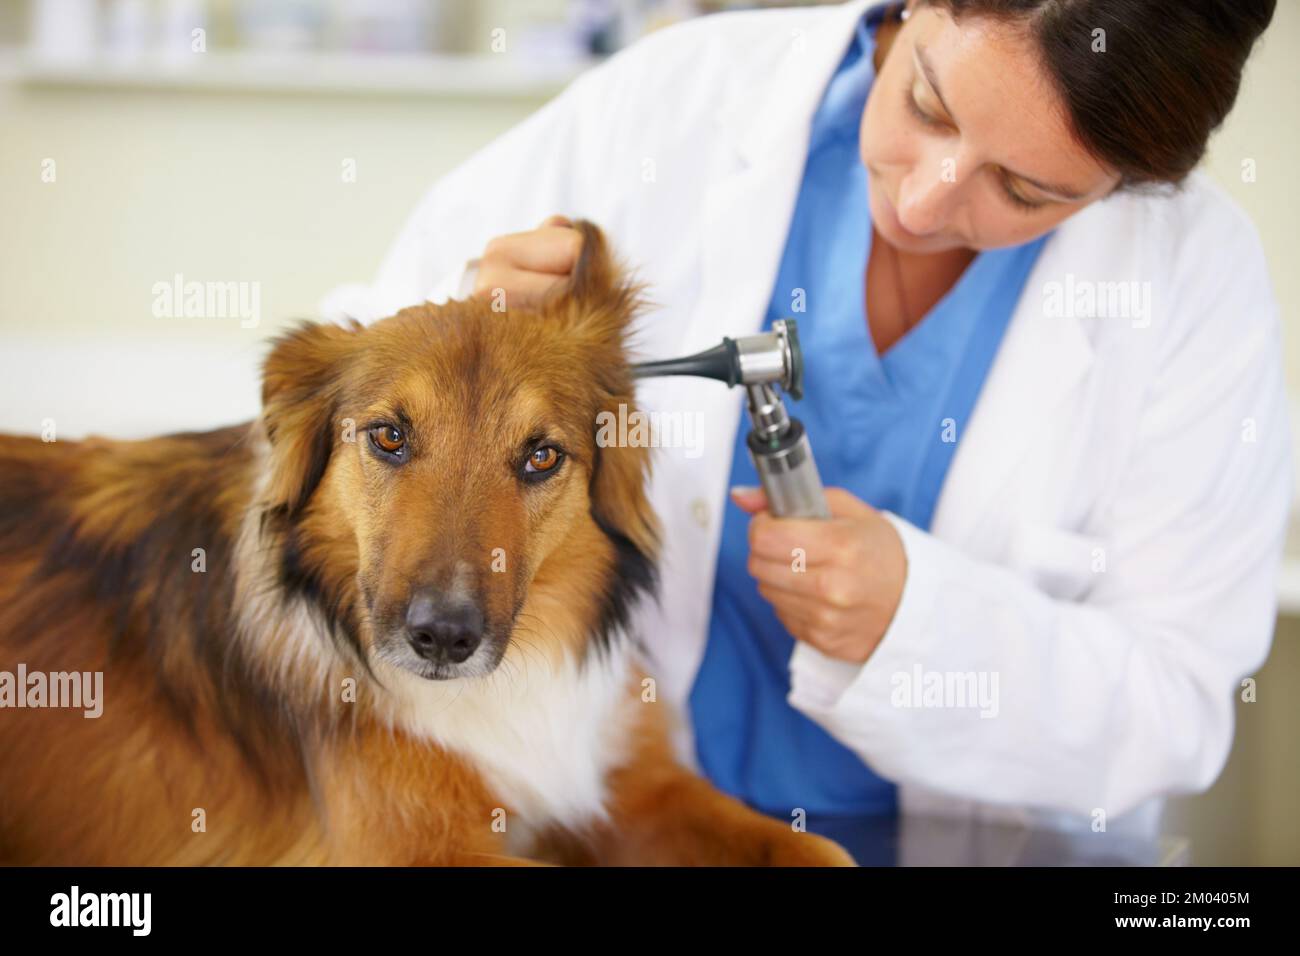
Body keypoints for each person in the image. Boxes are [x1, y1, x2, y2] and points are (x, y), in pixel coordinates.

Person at [321, 0, 1288, 849]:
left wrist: (916, 625)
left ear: (1122, 189)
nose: (922, 201)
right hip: (617, 826)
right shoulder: (672, 102)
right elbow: (333, 411)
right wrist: (464, 335)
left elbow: (1178, 709)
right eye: (927, 105)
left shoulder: (1194, 286)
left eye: (1025, 192)